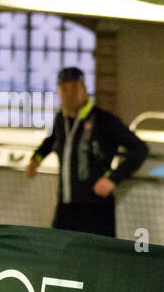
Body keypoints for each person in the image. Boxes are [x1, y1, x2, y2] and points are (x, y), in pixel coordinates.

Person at [24, 67, 149, 237]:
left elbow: (140, 149)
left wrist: (113, 179)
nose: (69, 94)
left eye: (74, 88)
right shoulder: (62, 119)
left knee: (96, 258)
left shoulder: (104, 120)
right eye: (64, 89)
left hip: (96, 209)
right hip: (66, 206)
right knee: (58, 256)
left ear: (84, 89)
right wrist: (36, 159)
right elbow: (52, 140)